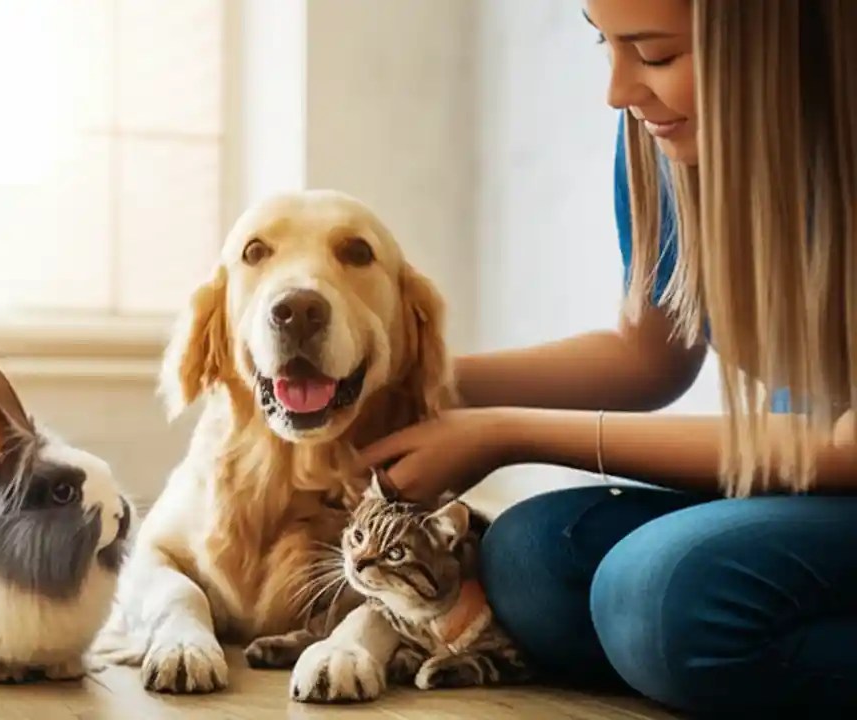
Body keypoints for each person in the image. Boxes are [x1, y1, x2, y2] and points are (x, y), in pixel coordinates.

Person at [358, 0, 857, 716]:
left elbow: (842, 448)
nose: (618, 90)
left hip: (833, 474)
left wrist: (509, 432)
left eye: (654, 55)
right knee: (528, 556)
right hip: (798, 492)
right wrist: (411, 383)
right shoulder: (663, 145)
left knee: (658, 594)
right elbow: (646, 356)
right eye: (605, 43)